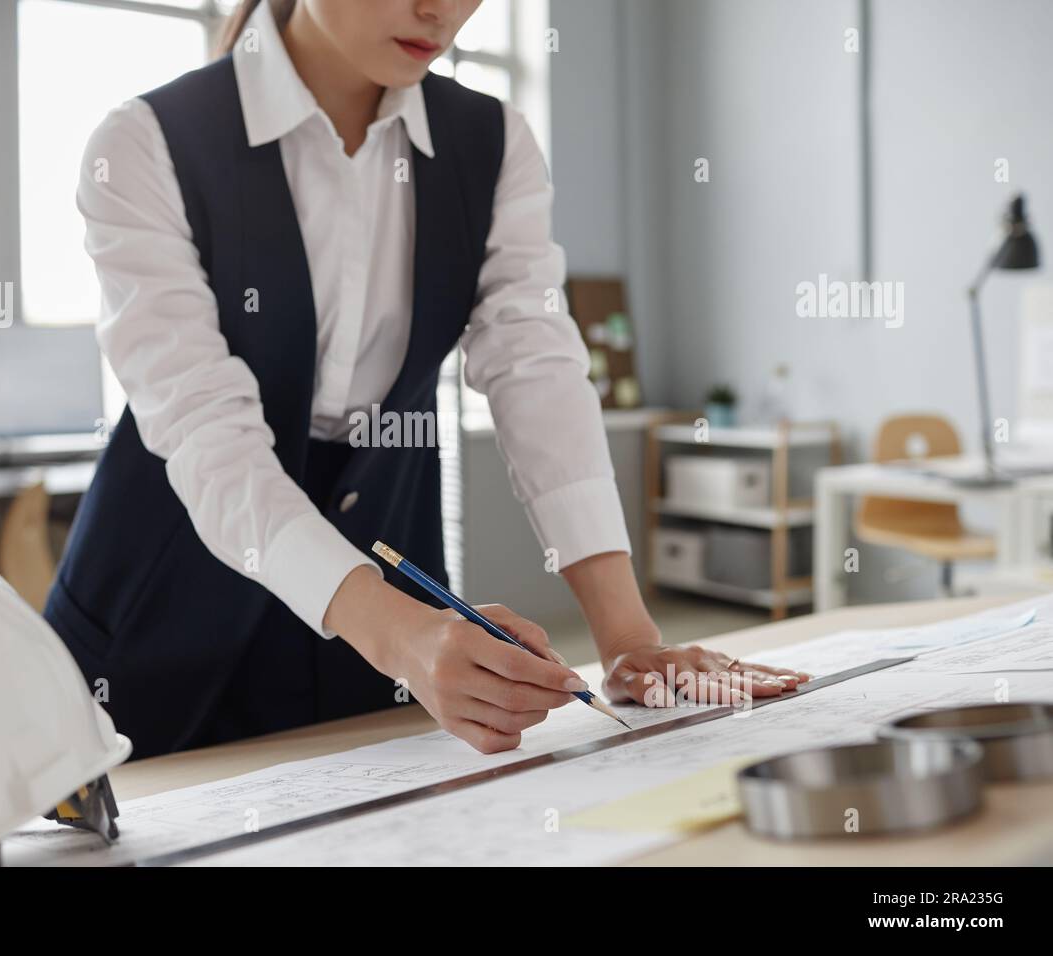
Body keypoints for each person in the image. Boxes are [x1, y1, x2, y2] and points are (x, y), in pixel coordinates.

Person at [45, 0, 809, 759]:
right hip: (157, 627)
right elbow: (206, 428)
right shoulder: (145, 145)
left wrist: (627, 637)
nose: (439, 9)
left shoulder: (492, 143)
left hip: (378, 643)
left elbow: (534, 366)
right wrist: (397, 631)